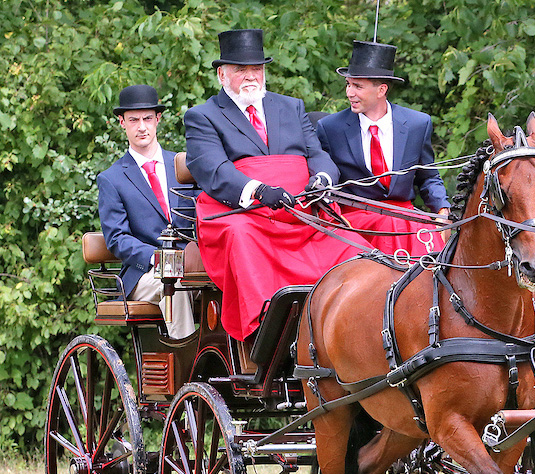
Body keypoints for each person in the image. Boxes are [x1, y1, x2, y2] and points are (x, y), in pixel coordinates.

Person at [184, 28, 370, 341]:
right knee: (241, 237)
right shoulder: (202, 116)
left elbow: (318, 155)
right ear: (221, 74)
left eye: (256, 68)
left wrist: (322, 179)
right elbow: (212, 169)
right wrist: (258, 189)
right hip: (243, 212)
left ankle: (360, 314)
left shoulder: (291, 107)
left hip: (301, 209)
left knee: (353, 245)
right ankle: (267, 334)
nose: (250, 76)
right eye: (240, 69)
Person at [317, 40, 452, 256]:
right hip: (356, 223)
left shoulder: (417, 124)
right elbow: (326, 180)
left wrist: (442, 209)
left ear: (382, 90)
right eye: (348, 84)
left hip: (406, 219)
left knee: (436, 256)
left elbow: (428, 177)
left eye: (358, 86)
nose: (349, 93)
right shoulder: (330, 128)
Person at [98, 84, 195, 339]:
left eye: (147, 118)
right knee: (175, 287)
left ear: (158, 119)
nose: (142, 126)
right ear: (122, 123)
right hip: (146, 273)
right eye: (134, 120)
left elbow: (203, 217)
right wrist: (158, 258)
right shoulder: (112, 179)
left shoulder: (184, 166)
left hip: (194, 265)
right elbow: (117, 238)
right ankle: (190, 369)